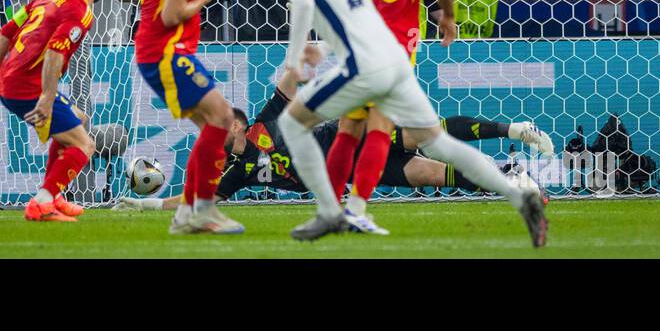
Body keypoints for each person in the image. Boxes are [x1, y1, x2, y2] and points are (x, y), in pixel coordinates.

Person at [268, 0, 547, 243]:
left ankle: (330, 212)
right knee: (436, 141)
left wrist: (294, 59)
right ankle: (517, 193)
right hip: (395, 58)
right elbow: (356, 14)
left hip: (363, 64)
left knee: (292, 122)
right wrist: (326, 49)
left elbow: (302, 5)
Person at [117, 77, 552, 211]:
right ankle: (513, 181)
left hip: (346, 138)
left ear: (237, 125)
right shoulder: (238, 171)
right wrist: (141, 205)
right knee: (429, 174)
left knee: (423, 134)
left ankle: (514, 130)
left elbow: (288, 81)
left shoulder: (264, 124)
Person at [132, 0, 242, 234]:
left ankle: (187, 215)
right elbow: (172, 13)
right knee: (224, 118)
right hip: (167, 51)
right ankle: (202, 211)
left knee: (212, 126)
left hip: (155, 50)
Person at [0, 0, 110, 222]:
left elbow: (6, 31)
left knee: (78, 120)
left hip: (11, 81)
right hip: (27, 87)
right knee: (85, 146)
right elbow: (54, 53)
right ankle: (42, 202)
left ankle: (55, 197)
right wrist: (47, 97)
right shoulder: (81, 11)